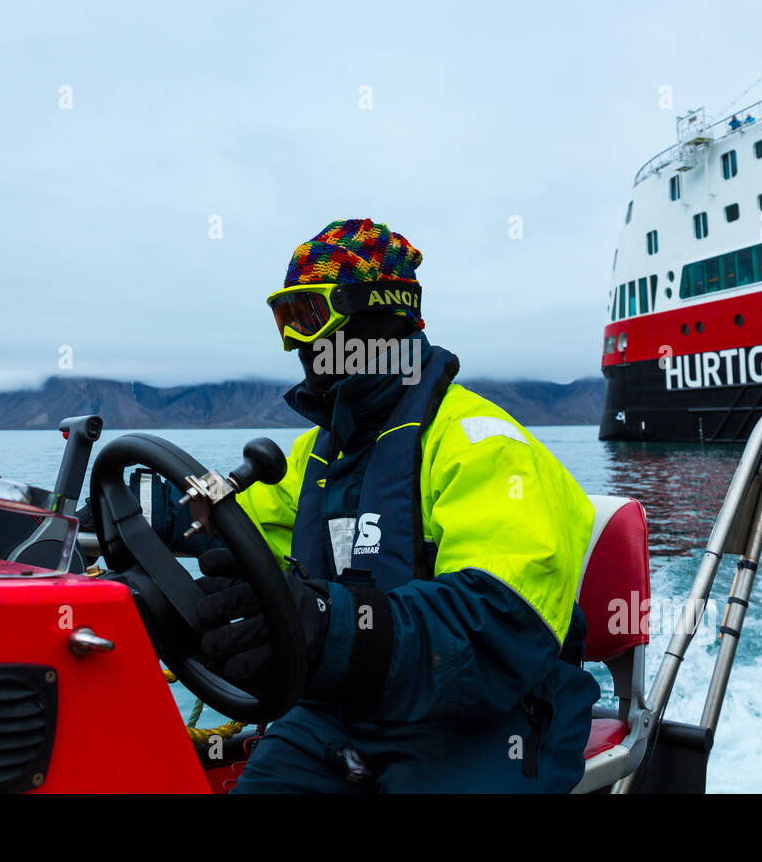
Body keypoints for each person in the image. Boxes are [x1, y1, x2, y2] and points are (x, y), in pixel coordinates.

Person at [182, 219, 601, 793]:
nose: (300, 343)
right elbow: (239, 537)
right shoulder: (313, 457)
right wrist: (158, 546)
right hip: (340, 712)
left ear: (375, 314)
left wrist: (330, 627)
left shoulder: (484, 444)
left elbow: (502, 624)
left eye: (310, 317)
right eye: (286, 321)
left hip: (492, 717)